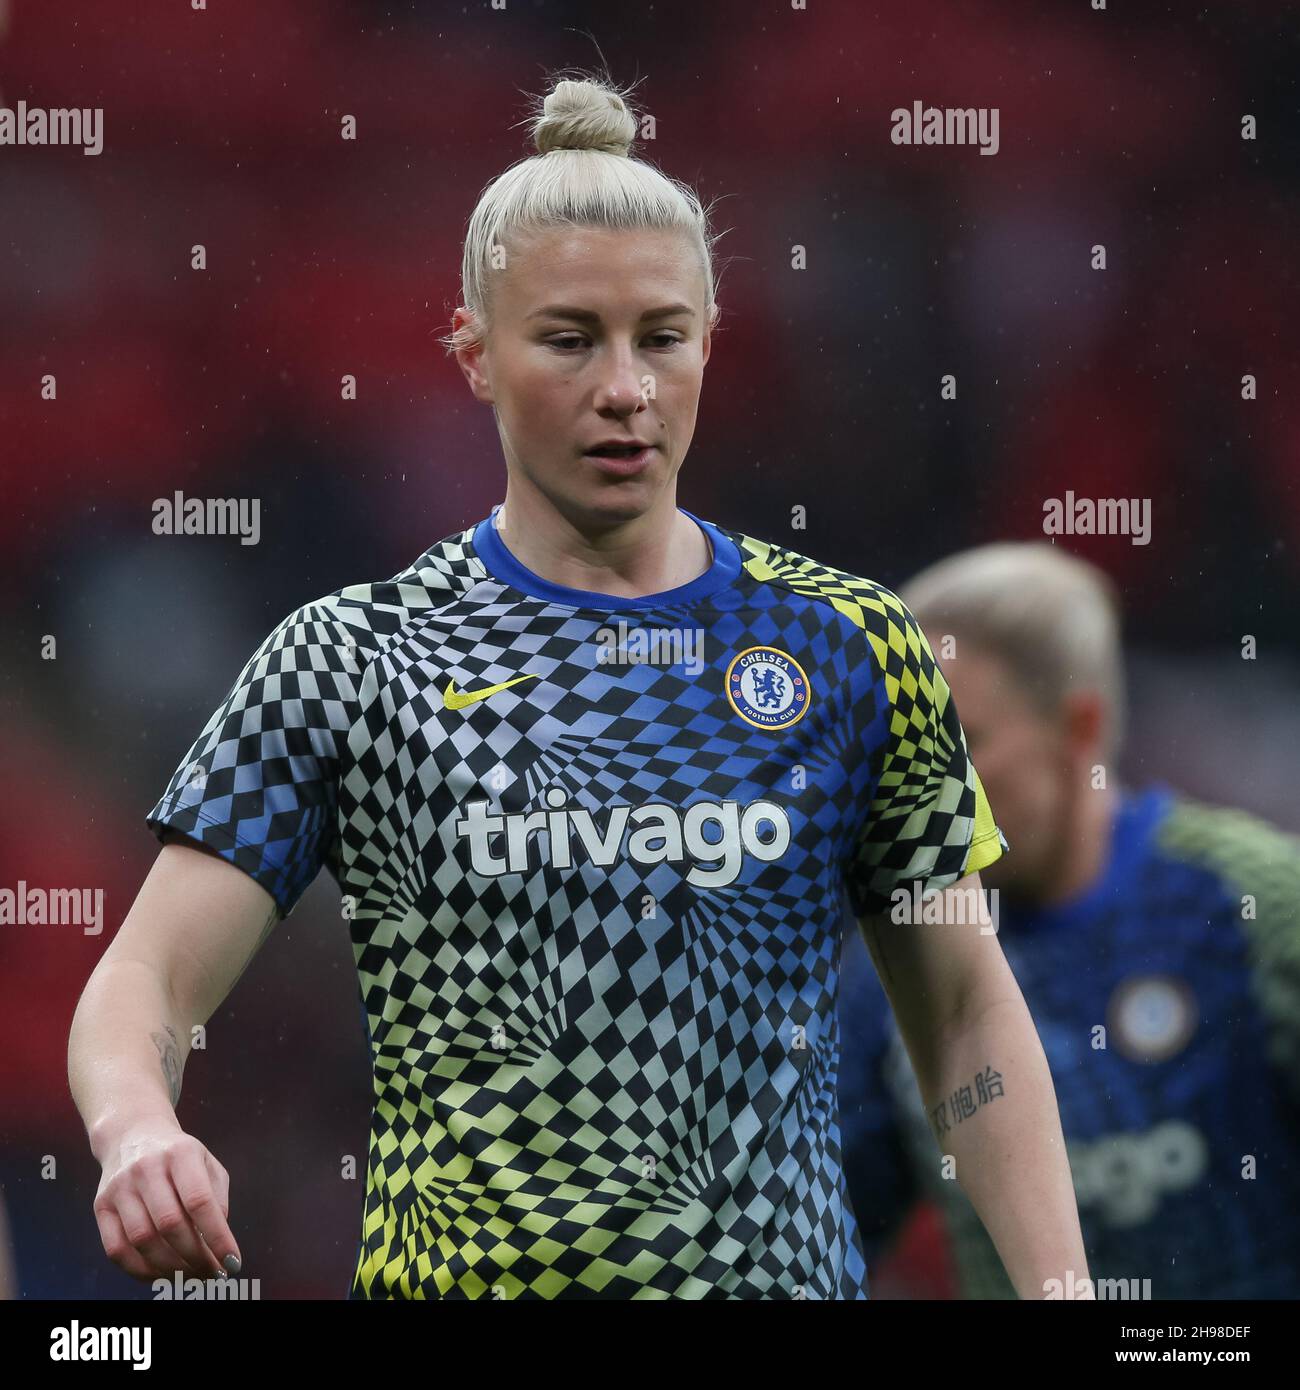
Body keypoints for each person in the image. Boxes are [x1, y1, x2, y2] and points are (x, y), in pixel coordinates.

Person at [69, 73, 1090, 1300]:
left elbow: (969, 1012)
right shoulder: (354, 658)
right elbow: (146, 978)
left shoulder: (848, 643)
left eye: (661, 337)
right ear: (474, 354)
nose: (625, 388)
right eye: (568, 339)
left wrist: (1063, 1293)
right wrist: (137, 1129)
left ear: (708, 344)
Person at [839, 541, 1300, 1298]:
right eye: (903, 752)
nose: (924, 788)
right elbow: (823, 1244)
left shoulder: (1250, 904)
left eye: (961, 745)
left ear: (1078, 729)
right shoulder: (896, 968)